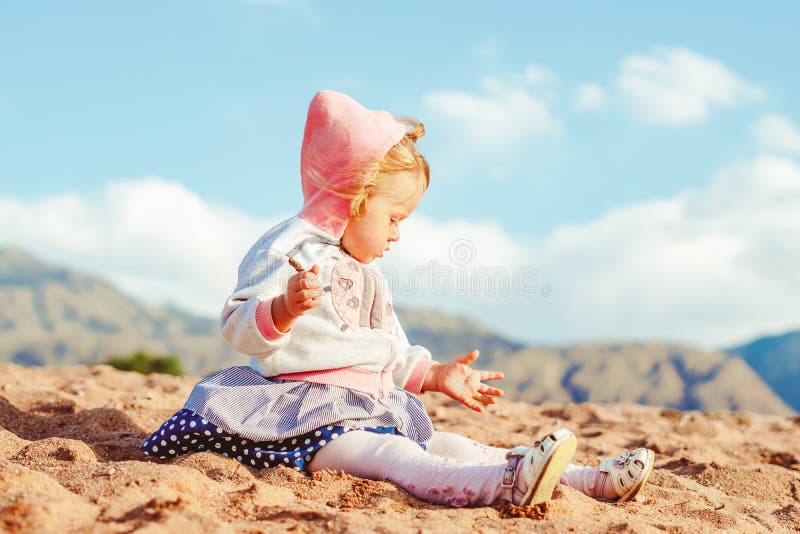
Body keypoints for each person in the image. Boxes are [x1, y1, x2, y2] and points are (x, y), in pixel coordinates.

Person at [141, 90, 654, 507]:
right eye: (393, 218)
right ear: (353, 199)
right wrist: (282, 310)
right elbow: (237, 325)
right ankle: (504, 486)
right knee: (392, 455)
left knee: (451, 445)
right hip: (303, 418)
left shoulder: (368, 274)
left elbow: (386, 347)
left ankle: (586, 480)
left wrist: (434, 376)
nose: (396, 235)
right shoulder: (288, 249)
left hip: (373, 404)